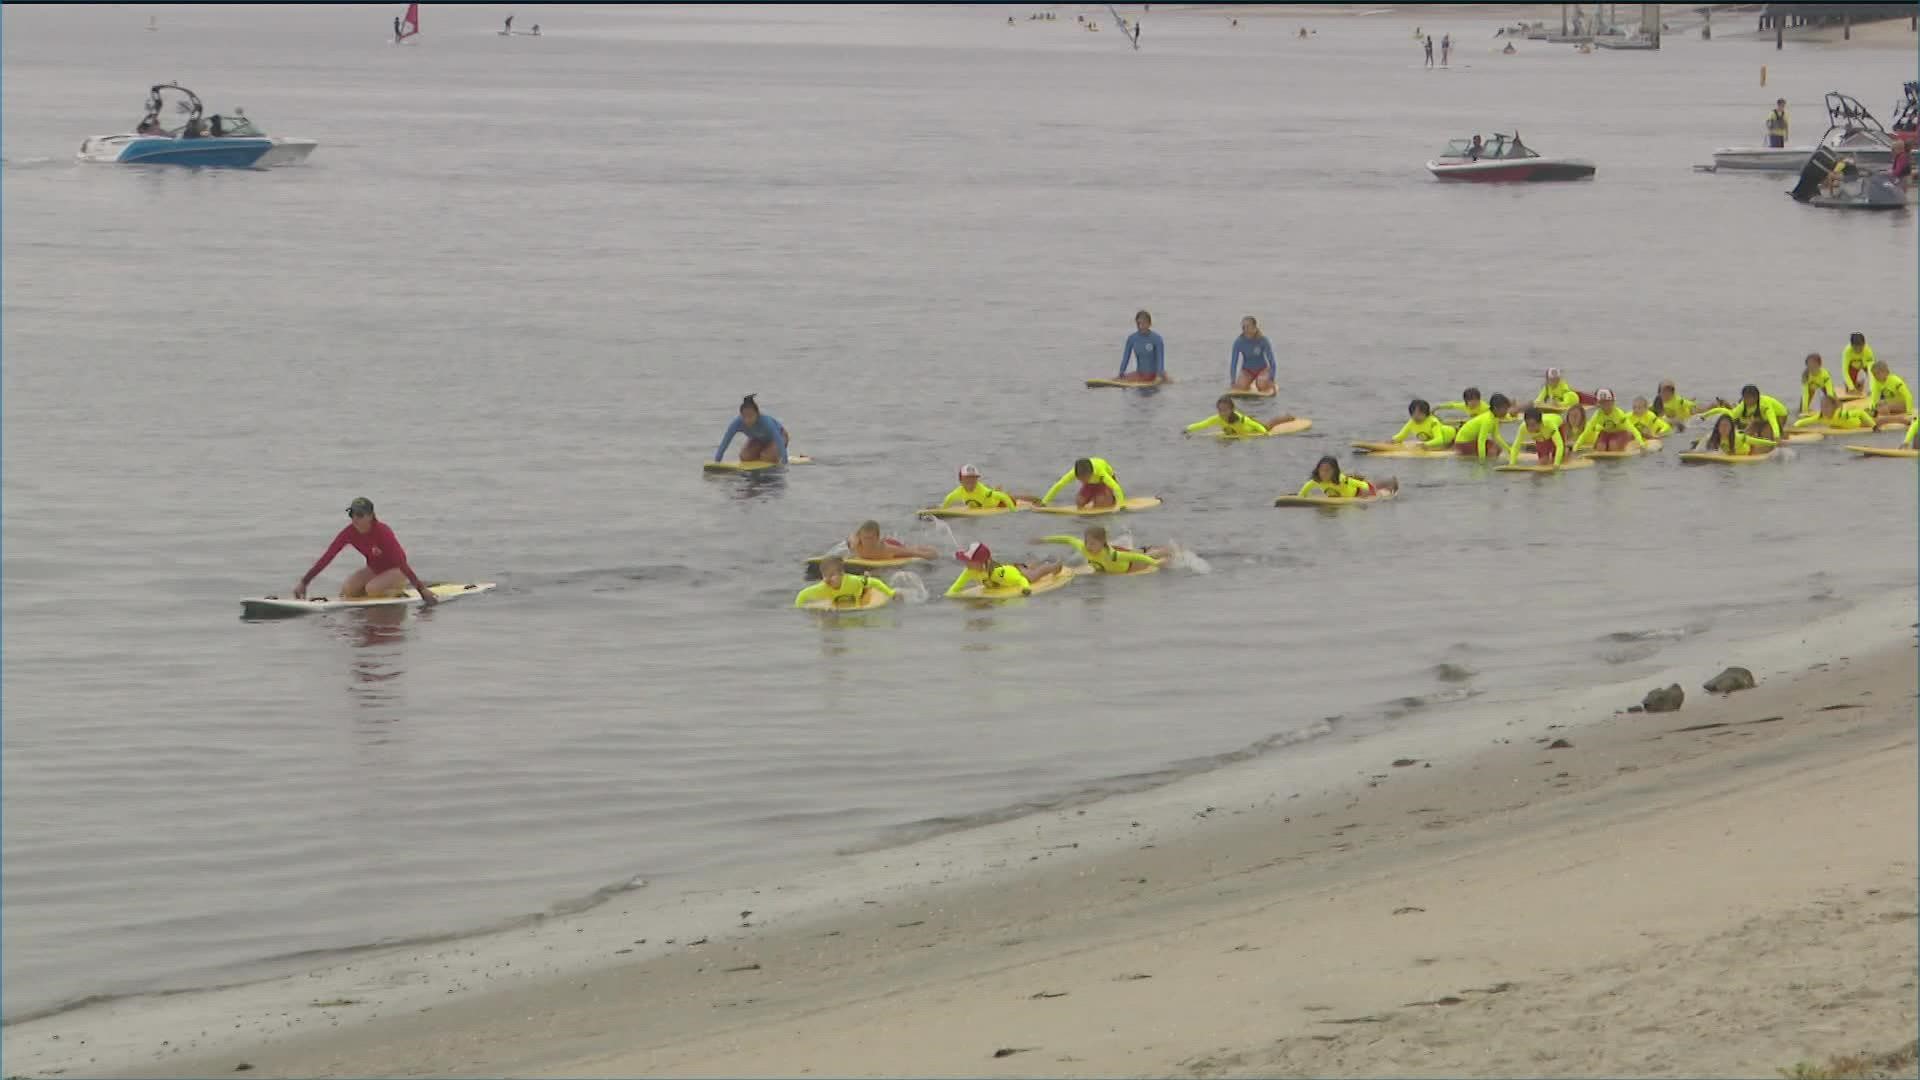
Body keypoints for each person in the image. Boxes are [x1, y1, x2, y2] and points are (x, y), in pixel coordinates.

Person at [294, 497, 436, 604]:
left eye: (360, 515)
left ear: (370, 516)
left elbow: (401, 562)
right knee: (348, 589)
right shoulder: (349, 533)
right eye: (352, 514)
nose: (355, 519)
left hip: (397, 570)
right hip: (375, 569)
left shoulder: (382, 532)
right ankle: (370, 598)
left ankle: (397, 592)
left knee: (372, 589)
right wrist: (304, 582)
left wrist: (421, 589)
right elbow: (327, 557)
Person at [945, 542, 1062, 598]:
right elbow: (956, 586)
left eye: (969, 561)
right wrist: (949, 596)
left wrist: (1026, 588)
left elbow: (1020, 579)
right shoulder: (969, 571)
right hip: (1008, 573)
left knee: (1034, 575)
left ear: (981, 563)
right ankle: (1033, 563)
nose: (966, 563)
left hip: (1016, 574)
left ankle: (1055, 565)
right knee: (1028, 569)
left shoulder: (996, 573)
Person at [1043, 525, 1166, 574]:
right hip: (1110, 566)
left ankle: (1168, 550)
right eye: (1087, 542)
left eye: (1092, 543)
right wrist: (1044, 540)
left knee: (1149, 555)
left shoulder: (1112, 555)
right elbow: (1068, 539)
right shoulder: (1084, 548)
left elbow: (1136, 558)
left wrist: (1155, 563)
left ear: (1102, 543)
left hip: (1131, 566)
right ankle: (1148, 549)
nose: (1088, 546)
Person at [713, 394, 790, 464]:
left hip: (780, 436)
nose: (747, 420)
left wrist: (785, 461)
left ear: (757, 414)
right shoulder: (737, 422)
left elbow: (778, 440)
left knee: (767, 457)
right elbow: (725, 442)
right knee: (745, 457)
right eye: (744, 416)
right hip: (758, 440)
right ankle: (764, 453)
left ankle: (771, 455)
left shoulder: (766, 422)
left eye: (750, 416)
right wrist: (717, 461)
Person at [794, 556, 895, 609]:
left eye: (832, 575)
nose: (828, 579)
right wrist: (798, 607)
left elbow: (875, 582)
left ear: (841, 574)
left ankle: (869, 573)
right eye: (825, 576)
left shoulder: (853, 582)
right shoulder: (823, 587)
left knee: (868, 581)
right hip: (844, 601)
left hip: (860, 591)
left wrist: (891, 593)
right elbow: (802, 595)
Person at [1575, 389, 1646, 452]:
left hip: (1620, 433)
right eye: (1602, 402)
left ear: (1612, 402)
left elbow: (1631, 428)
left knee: (1613, 445)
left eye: (1608, 402)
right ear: (1599, 404)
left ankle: (1629, 438)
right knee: (1600, 448)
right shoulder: (1597, 415)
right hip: (1605, 433)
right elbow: (1587, 431)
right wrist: (1576, 446)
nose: (1605, 405)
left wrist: (1641, 443)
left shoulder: (1619, 414)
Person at [1041, 457, 1124, 509]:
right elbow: (1058, 486)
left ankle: (1111, 500)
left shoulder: (1100, 473)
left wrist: (1120, 505)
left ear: (1091, 474)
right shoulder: (1073, 473)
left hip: (1103, 482)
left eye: (1085, 478)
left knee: (1100, 504)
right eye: (1081, 479)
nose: (1083, 481)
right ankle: (1096, 496)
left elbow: (1116, 487)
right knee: (1079, 502)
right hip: (1091, 484)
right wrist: (1044, 502)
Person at [1299, 455, 1397, 498]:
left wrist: (1373, 492)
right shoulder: (1317, 480)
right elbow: (1307, 487)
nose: (1324, 473)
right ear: (1317, 470)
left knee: (1375, 485)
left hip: (1358, 492)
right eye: (1321, 470)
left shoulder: (1342, 480)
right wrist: (1300, 495)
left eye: (1327, 471)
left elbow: (1360, 484)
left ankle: (1391, 482)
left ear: (1334, 472)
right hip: (1345, 494)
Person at [1453, 393, 1515, 459]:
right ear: (1496, 408)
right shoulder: (1488, 419)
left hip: (1468, 442)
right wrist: (1482, 460)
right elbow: (1481, 441)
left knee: (1498, 449)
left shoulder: (1494, 418)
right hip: (1461, 443)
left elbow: (1496, 436)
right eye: (1505, 409)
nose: (1506, 412)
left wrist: (1509, 450)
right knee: (1493, 448)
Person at [939, 464, 1024, 510]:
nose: (971, 481)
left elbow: (1004, 497)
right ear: (961, 480)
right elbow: (948, 499)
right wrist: (942, 510)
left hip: (999, 504)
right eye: (967, 478)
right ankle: (997, 489)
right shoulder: (958, 492)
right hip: (981, 506)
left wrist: (1013, 511)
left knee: (1013, 500)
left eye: (973, 478)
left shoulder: (984, 492)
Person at [846, 520, 938, 561]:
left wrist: (930, 554)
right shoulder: (856, 543)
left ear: (877, 538)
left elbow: (915, 553)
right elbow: (851, 537)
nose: (868, 542)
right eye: (865, 538)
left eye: (871, 538)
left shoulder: (886, 549)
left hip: (891, 544)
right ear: (860, 537)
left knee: (910, 549)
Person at [1228, 316, 1277, 393]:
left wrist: (1272, 378)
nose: (1245, 329)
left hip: (1262, 369)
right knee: (1240, 387)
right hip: (1247, 371)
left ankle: (1263, 381)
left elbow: (1272, 361)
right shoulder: (1239, 342)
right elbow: (1234, 363)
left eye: (1247, 326)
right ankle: (1249, 383)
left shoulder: (1263, 340)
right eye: (1243, 327)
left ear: (1254, 327)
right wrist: (1233, 381)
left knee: (1261, 385)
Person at [1117, 310, 1168, 383]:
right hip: (1140, 374)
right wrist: (1121, 372)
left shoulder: (1157, 339)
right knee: (1117, 380)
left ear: (1149, 324)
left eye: (1144, 323)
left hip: (1154, 375)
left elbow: (1160, 359)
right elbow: (1125, 358)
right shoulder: (1132, 338)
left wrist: (1159, 375)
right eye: (1138, 324)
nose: (1141, 326)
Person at [1185, 396, 1271, 437]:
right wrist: (1188, 429)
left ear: (1231, 409)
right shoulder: (1217, 418)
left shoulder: (1240, 418)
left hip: (1251, 430)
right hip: (1234, 434)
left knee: (1268, 425)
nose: (1222, 413)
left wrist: (1265, 433)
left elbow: (1256, 425)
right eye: (1220, 410)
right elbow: (1202, 424)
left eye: (1225, 410)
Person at [1387, 398, 1456, 449]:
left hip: (1454, 437)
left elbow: (1439, 439)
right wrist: (1392, 440)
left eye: (1419, 414)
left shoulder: (1433, 422)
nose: (1415, 416)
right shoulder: (1411, 422)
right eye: (1413, 414)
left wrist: (1424, 444)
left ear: (1425, 413)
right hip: (1433, 442)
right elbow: (1401, 436)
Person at [1694, 413, 1772, 457]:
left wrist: (1773, 444)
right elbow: (1700, 450)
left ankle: (1759, 423)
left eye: (1726, 426)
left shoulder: (1739, 438)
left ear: (1731, 428)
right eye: (1721, 426)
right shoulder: (1712, 437)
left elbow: (1758, 442)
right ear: (1717, 427)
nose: (1724, 428)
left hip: (1750, 451)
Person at [1792, 392, 1877, 431]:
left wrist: (1873, 426)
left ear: (1834, 407)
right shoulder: (1820, 416)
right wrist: (1795, 426)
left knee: (1879, 421)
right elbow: (1804, 421)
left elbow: (1860, 413)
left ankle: (1873, 413)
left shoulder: (1840, 414)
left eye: (1827, 406)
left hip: (1860, 423)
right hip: (1845, 425)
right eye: (1822, 407)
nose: (1824, 409)